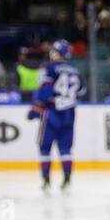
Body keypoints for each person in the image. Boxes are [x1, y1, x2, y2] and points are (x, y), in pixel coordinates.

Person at [28, 40, 82, 191]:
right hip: (70, 113)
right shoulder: (75, 70)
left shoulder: (48, 67)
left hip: (52, 111)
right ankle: (67, 178)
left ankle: (46, 180)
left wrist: (37, 107)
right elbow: (81, 90)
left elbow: (45, 90)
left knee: (44, 147)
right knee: (65, 148)